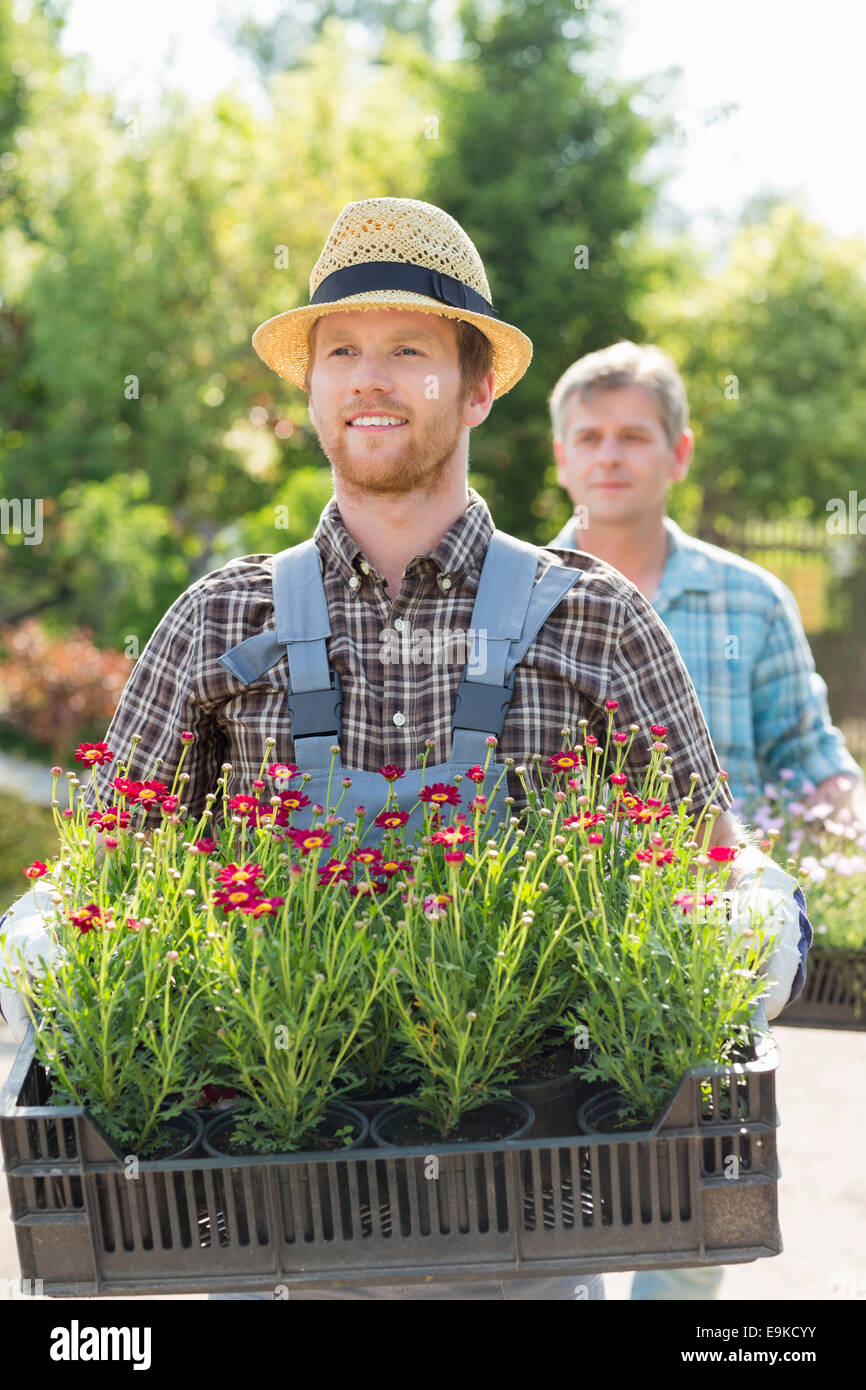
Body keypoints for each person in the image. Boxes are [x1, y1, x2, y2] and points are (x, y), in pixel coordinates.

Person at [0, 200, 811, 1301]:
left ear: (478, 388)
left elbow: (713, 863)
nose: (367, 379)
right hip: (255, 1219)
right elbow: (101, 874)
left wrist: (750, 921)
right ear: (310, 388)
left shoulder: (596, 618)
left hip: (525, 1218)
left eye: (408, 352)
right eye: (340, 351)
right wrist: (44, 948)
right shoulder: (214, 619)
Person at [546, 338, 863, 1301]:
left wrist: (847, 840)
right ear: (560, 457)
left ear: (678, 453)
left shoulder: (750, 599)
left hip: (710, 945)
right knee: (553, 1194)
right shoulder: (517, 598)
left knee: (700, 1205)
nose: (610, 455)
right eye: (589, 437)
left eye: (633, 436)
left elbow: (812, 759)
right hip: (554, 938)